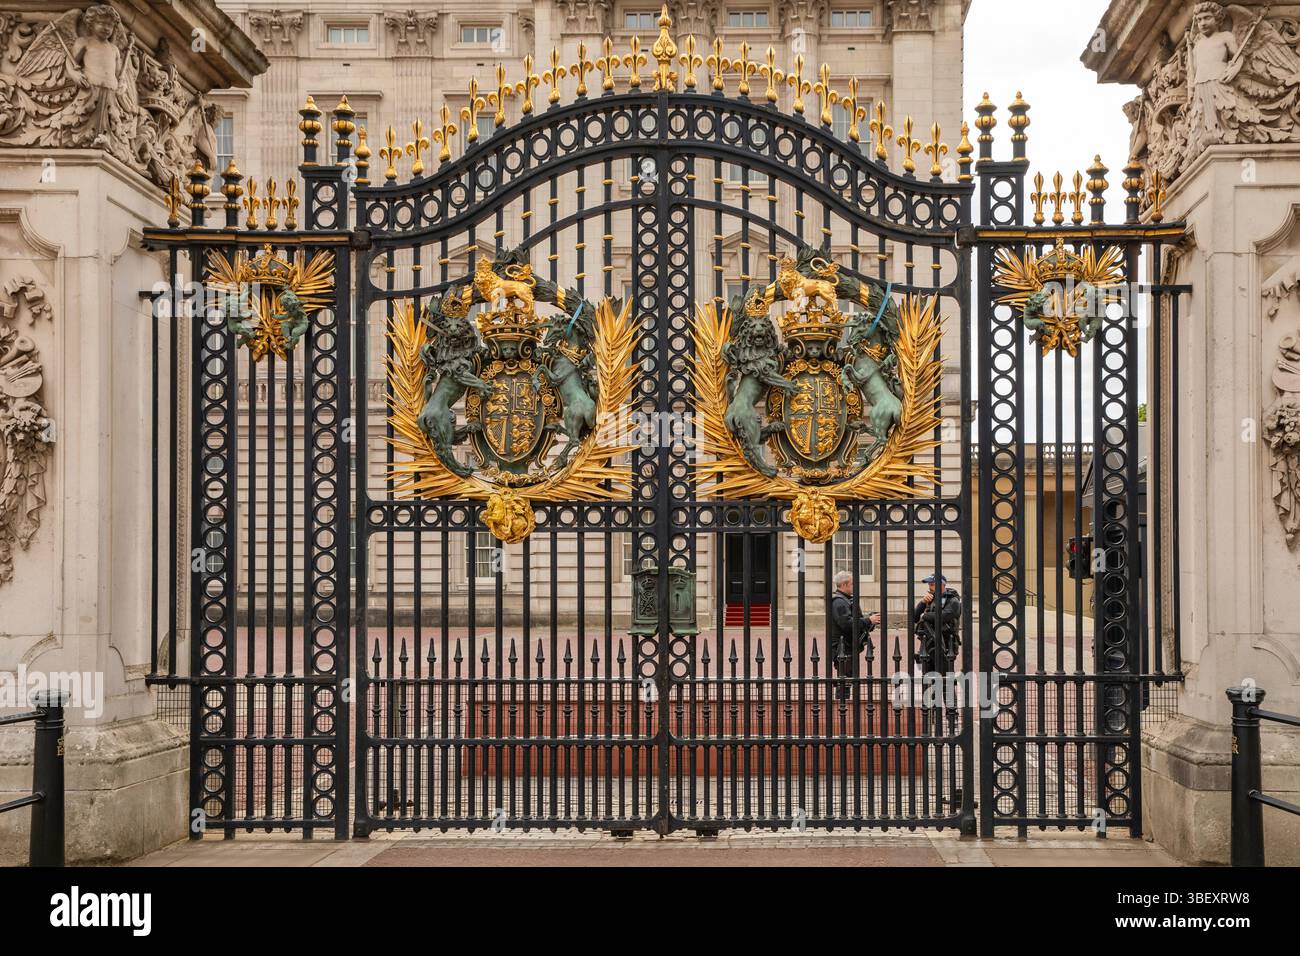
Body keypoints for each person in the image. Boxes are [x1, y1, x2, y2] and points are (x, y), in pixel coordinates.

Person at [829, 570, 880, 699]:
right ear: (844, 585)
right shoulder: (839, 602)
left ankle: (843, 709)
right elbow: (846, 623)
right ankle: (842, 709)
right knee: (844, 681)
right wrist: (868, 620)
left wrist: (868, 621)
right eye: (852, 584)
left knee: (847, 680)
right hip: (842, 648)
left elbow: (853, 621)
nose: (854, 586)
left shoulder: (846, 600)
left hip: (847, 646)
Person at [913, 573, 961, 675]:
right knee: (928, 678)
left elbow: (943, 616)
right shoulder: (930, 600)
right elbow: (914, 618)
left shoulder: (953, 601)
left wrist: (925, 616)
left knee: (945, 679)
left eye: (932, 584)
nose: (929, 587)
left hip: (947, 646)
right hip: (928, 645)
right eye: (929, 584)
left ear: (942, 585)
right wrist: (922, 603)